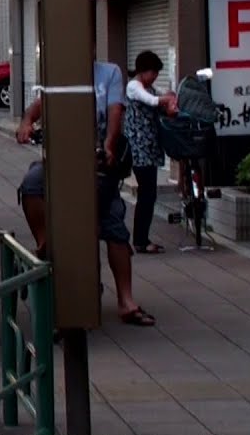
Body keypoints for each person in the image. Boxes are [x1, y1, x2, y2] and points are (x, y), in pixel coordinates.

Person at [15, 56, 156, 327]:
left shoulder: (109, 73)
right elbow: (39, 105)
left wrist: (109, 144)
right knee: (32, 184)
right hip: (61, 163)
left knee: (113, 223)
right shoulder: (59, 72)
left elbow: (115, 111)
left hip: (98, 164)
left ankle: (126, 301)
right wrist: (26, 123)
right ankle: (45, 243)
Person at [125, 51, 178, 255]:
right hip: (139, 147)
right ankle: (140, 240)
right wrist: (167, 99)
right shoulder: (134, 86)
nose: (155, 76)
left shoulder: (149, 87)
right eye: (153, 72)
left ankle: (142, 239)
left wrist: (170, 103)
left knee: (148, 194)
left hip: (149, 147)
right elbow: (152, 101)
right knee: (147, 194)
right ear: (143, 71)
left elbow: (159, 102)